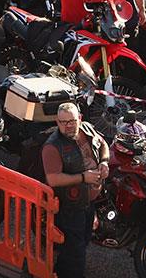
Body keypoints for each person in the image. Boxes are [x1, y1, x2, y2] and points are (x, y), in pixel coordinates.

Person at [44, 102, 110, 278]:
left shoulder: (87, 129)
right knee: (75, 249)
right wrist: (83, 177)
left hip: (89, 201)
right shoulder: (52, 146)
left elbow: (103, 144)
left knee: (82, 242)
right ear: (57, 122)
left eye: (72, 121)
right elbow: (53, 179)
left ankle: (60, 270)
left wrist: (104, 161)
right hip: (70, 206)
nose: (68, 126)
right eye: (63, 122)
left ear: (79, 118)